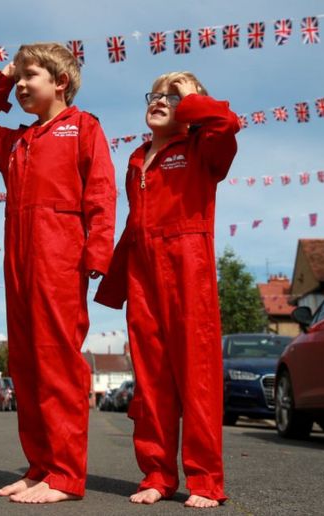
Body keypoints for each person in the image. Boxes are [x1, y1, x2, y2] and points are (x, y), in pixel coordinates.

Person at [0, 42, 116, 504]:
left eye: (31, 76)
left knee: (57, 363)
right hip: (18, 259)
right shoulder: (18, 141)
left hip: (60, 257)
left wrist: (96, 256)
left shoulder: (84, 127)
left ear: (60, 81)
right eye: (20, 77)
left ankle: (67, 475)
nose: (23, 84)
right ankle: (41, 467)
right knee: (26, 366)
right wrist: (2, 80)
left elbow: (102, 193)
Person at [95, 71, 239, 508]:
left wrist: (191, 99)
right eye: (155, 94)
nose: (160, 100)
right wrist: (112, 274)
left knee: (197, 377)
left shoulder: (202, 147)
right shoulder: (137, 159)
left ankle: (205, 480)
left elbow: (226, 124)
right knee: (151, 380)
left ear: (192, 107)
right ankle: (157, 473)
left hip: (187, 266)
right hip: (142, 273)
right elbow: (134, 226)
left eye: (171, 97)